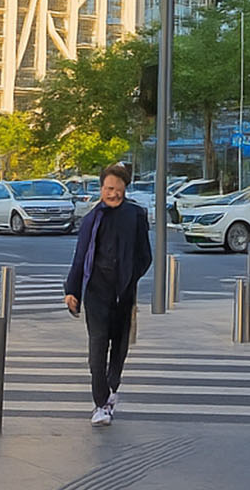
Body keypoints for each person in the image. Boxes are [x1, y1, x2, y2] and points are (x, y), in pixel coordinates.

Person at [63, 163, 152, 427]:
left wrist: (131, 276)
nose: (112, 194)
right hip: (96, 293)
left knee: (120, 348)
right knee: (97, 348)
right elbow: (80, 258)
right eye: (108, 188)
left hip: (123, 293)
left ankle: (112, 388)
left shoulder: (135, 215)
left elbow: (145, 255)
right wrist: (72, 290)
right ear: (101, 188)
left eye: (117, 189)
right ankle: (100, 402)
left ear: (125, 189)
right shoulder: (93, 219)